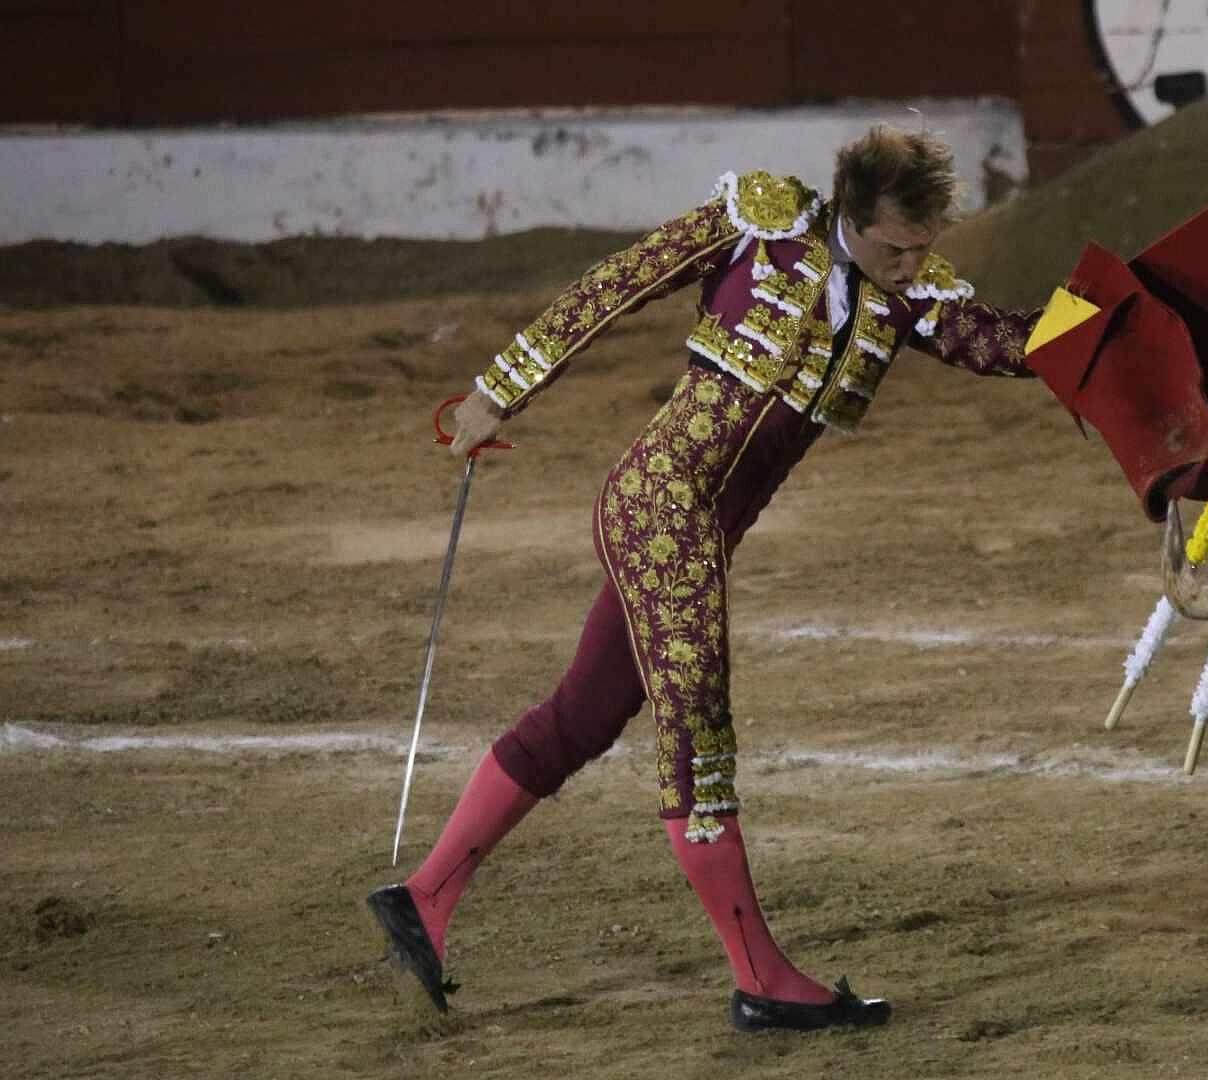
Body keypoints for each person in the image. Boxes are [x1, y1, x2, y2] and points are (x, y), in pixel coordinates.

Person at [367, 125, 1039, 1033]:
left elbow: (1004, 344)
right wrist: (497, 391)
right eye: (894, 247)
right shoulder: (759, 223)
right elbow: (616, 286)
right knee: (699, 736)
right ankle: (762, 977)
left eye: (925, 247)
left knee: (583, 714)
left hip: (697, 535)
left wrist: (1112, 314)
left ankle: (424, 898)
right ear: (851, 215)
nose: (912, 264)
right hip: (658, 508)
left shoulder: (911, 292)